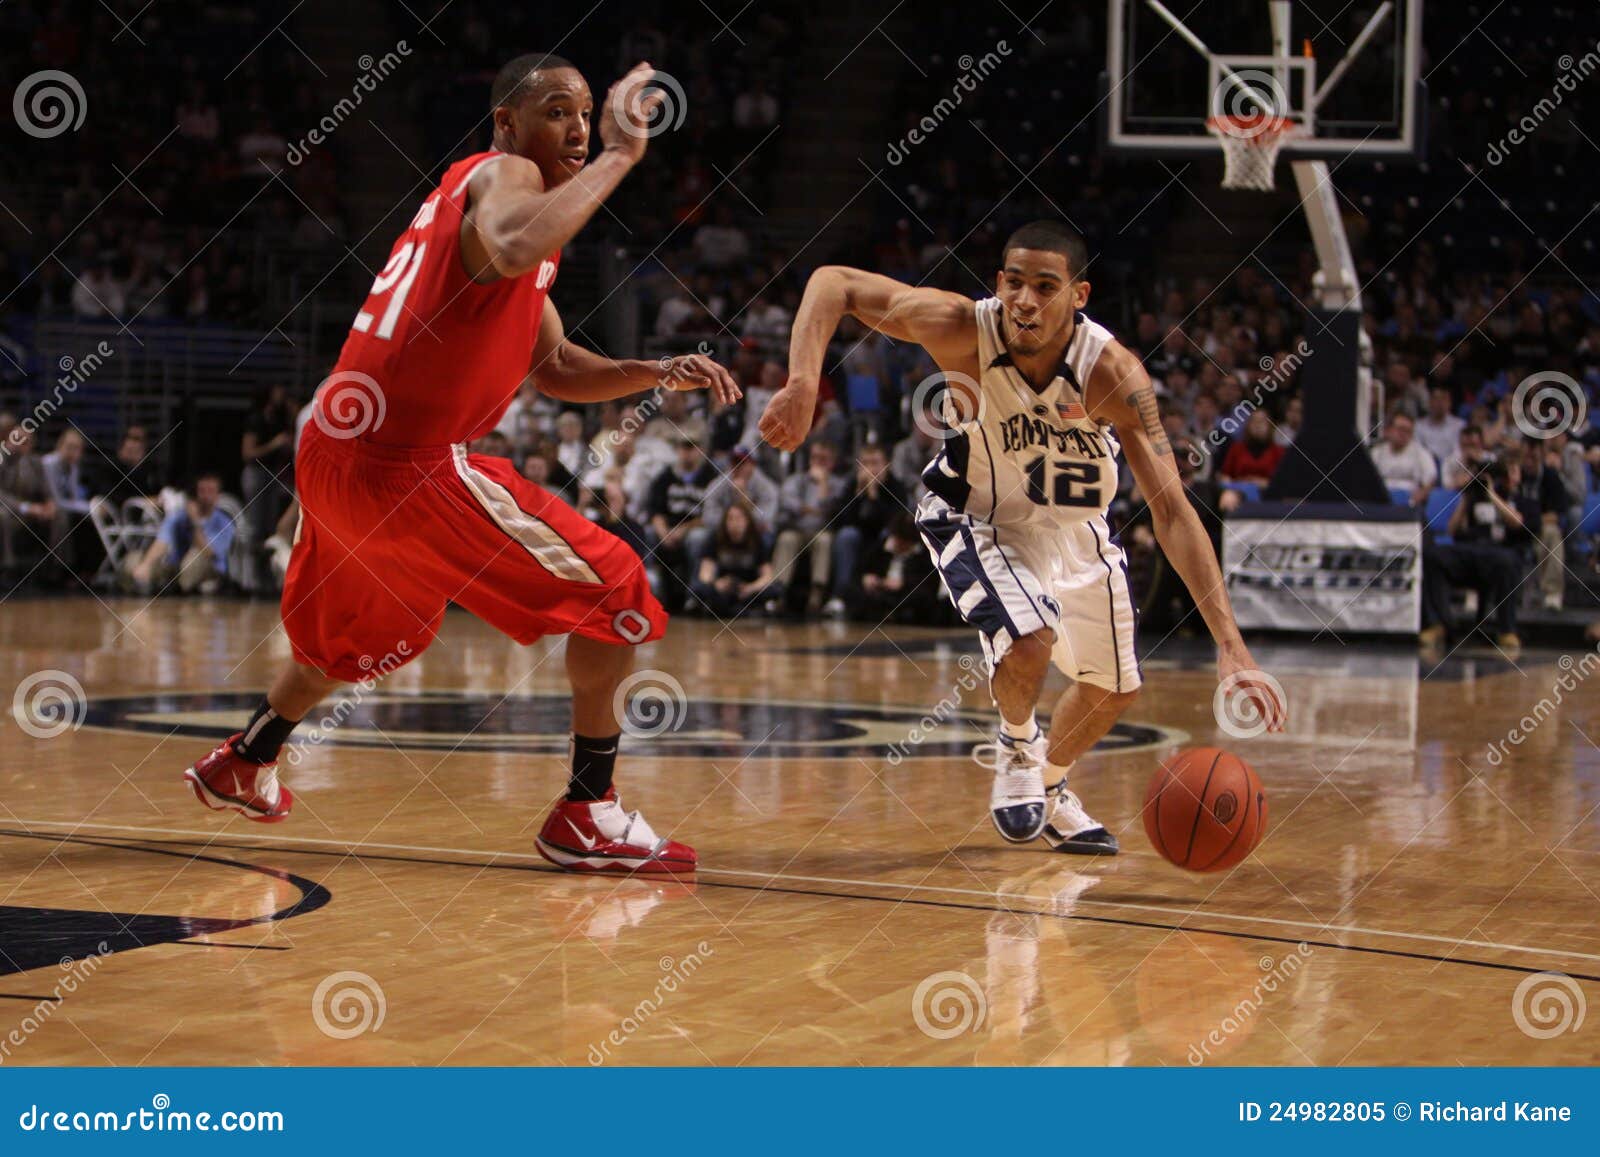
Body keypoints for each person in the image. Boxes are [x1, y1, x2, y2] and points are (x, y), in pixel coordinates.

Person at [180, 54, 739, 875]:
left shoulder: (496, 219)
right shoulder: (503, 179)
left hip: (333, 456)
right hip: (404, 463)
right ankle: (588, 809)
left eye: (588, 113)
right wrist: (624, 154)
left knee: (359, 633)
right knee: (615, 588)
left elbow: (555, 367)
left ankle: (247, 758)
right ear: (508, 123)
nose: (580, 128)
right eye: (557, 111)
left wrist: (654, 373)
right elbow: (518, 242)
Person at [759, 220, 1284, 855]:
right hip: (978, 514)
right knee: (1030, 638)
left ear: (1079, 295)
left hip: (1075, 530)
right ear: (999, 284)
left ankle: (1053, 785)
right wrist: (805, 381)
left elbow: (1172, 511)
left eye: (1045, 286)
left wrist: (1230, 644)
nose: (1025, 301)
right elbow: (833, 283)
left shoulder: (1112, 374)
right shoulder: (960, 329)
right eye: (1014, 283)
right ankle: (1014, 743)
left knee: (1114, 689)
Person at [1420, 459, 1525, 651]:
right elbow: (1451, 530)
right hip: (1468, 552)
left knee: (1508, 561)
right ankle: (1440, 623)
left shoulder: (1508, 496)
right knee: (1433, 556)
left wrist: (1491, 493)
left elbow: (1516, 522)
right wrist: (1466, 497)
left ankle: (1507, 630)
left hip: (1496, 553)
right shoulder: (1469, 498)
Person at [122, 473, 235, 594]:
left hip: (208, 566)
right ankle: (141, 589)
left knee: (192, 560)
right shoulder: (179, 515)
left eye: (211, 491)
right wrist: (146, 564)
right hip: (175, 565)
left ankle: (189, 590)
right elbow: (162, 542)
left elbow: (208, 553)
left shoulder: (224, 522)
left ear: (218, 495)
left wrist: (194, 522)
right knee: (132, 561)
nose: (205, 496)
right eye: (202, 490)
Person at [770, 441, 844, 614]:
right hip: (797, 530)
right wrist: (813, 511)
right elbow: (786, 502)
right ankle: (778, 594)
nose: (817, 462)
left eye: (823, 459)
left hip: (822, 532)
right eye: (814, 457)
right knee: (786, 538)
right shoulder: (796, 480)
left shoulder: (838, 484)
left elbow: (833, 511)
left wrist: (823, 486)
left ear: (832, 462)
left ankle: (816, 595)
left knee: (824, 540)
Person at [690, 500, 774, 617]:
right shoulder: (715, 538)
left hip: (748, 588)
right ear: (725, 522)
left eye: (739, 518)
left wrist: (750, 588)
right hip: (724, 587)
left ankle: (738, 609)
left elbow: (767, 576)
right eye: (730, 519)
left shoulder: (757, 540)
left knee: (776, 589)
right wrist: (717, 584)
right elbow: (705, 574)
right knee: (698, 588)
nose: (735, 523)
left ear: (747, 521)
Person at [1369, 412, 1437, 506]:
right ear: (1389, 430)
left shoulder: (1421, 453)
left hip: (1408, 503)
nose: (1403, 434)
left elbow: (1430, 481)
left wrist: (1419, 496)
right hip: (1380, 501)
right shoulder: (1376, 452)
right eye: (1400, 429)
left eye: (1408, 431)